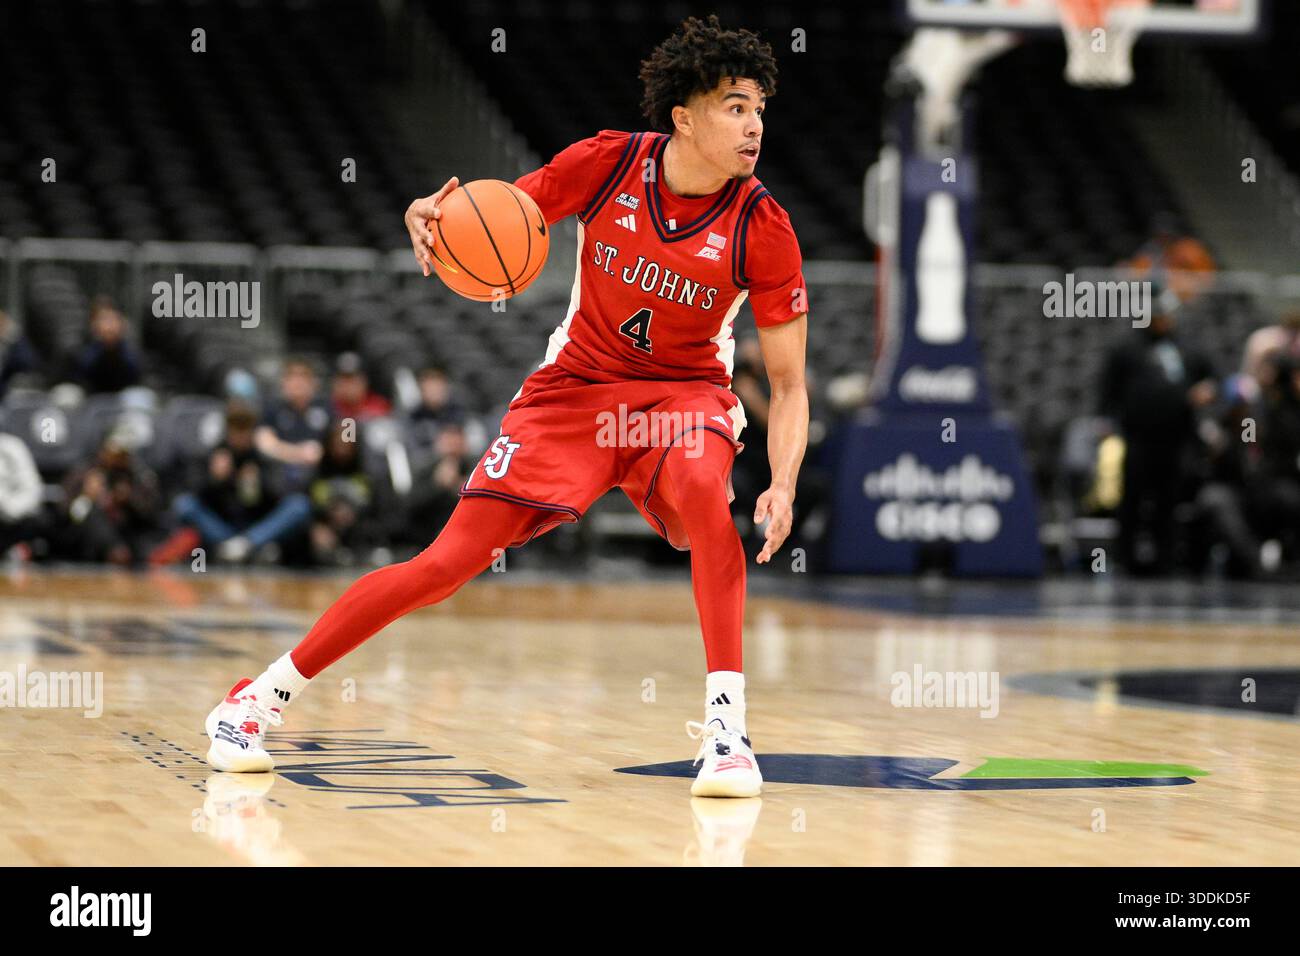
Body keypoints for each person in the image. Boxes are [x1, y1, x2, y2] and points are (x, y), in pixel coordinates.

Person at [205, 16, 809, 799]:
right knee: (444, 566)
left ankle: (727, 731)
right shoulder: (609, 162)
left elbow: (790, 386)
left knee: (705, 491)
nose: (753, 123)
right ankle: (256, 700)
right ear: (684, 117)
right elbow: (498, 216)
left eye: (759, 107)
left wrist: (785, 480)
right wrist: (433, 215)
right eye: (734, 105)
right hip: (575, 391)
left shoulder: (763, 226)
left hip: (680, 399)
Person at [1098, 303, 1216, 574]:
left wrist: (1207, 391)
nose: (1164, 320)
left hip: (1176, 437)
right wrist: (1106, 421)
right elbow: (1107, 389)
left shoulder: (1186, 348)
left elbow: (1211, 380)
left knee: (1167, 500)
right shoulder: (1127, 347)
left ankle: (1165, 561)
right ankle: (1125, 560)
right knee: (1132, 498)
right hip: (1138, 436)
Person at [153, 401, 311, 565]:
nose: (241, 437)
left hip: (256, 526)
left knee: (299, 505)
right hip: (222, 527)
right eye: (237, 430)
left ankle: (245, 545)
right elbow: (194, 493)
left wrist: (259, 483)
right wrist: (215, 479)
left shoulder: (261, 458)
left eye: (245, 430)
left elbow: (279, 496)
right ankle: (239, 548)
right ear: (228, 430)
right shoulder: (212, 455)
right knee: (183, 504)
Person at [71, 298, 143, 393]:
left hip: (124, 394)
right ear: (94, 324)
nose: (108, 326)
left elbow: (135, 373)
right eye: (103, 320)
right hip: (90, 395)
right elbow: (82, 371)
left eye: (112, 320)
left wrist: (114, 347)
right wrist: (103, 346)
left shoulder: (128, 345)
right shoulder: (85, 341)